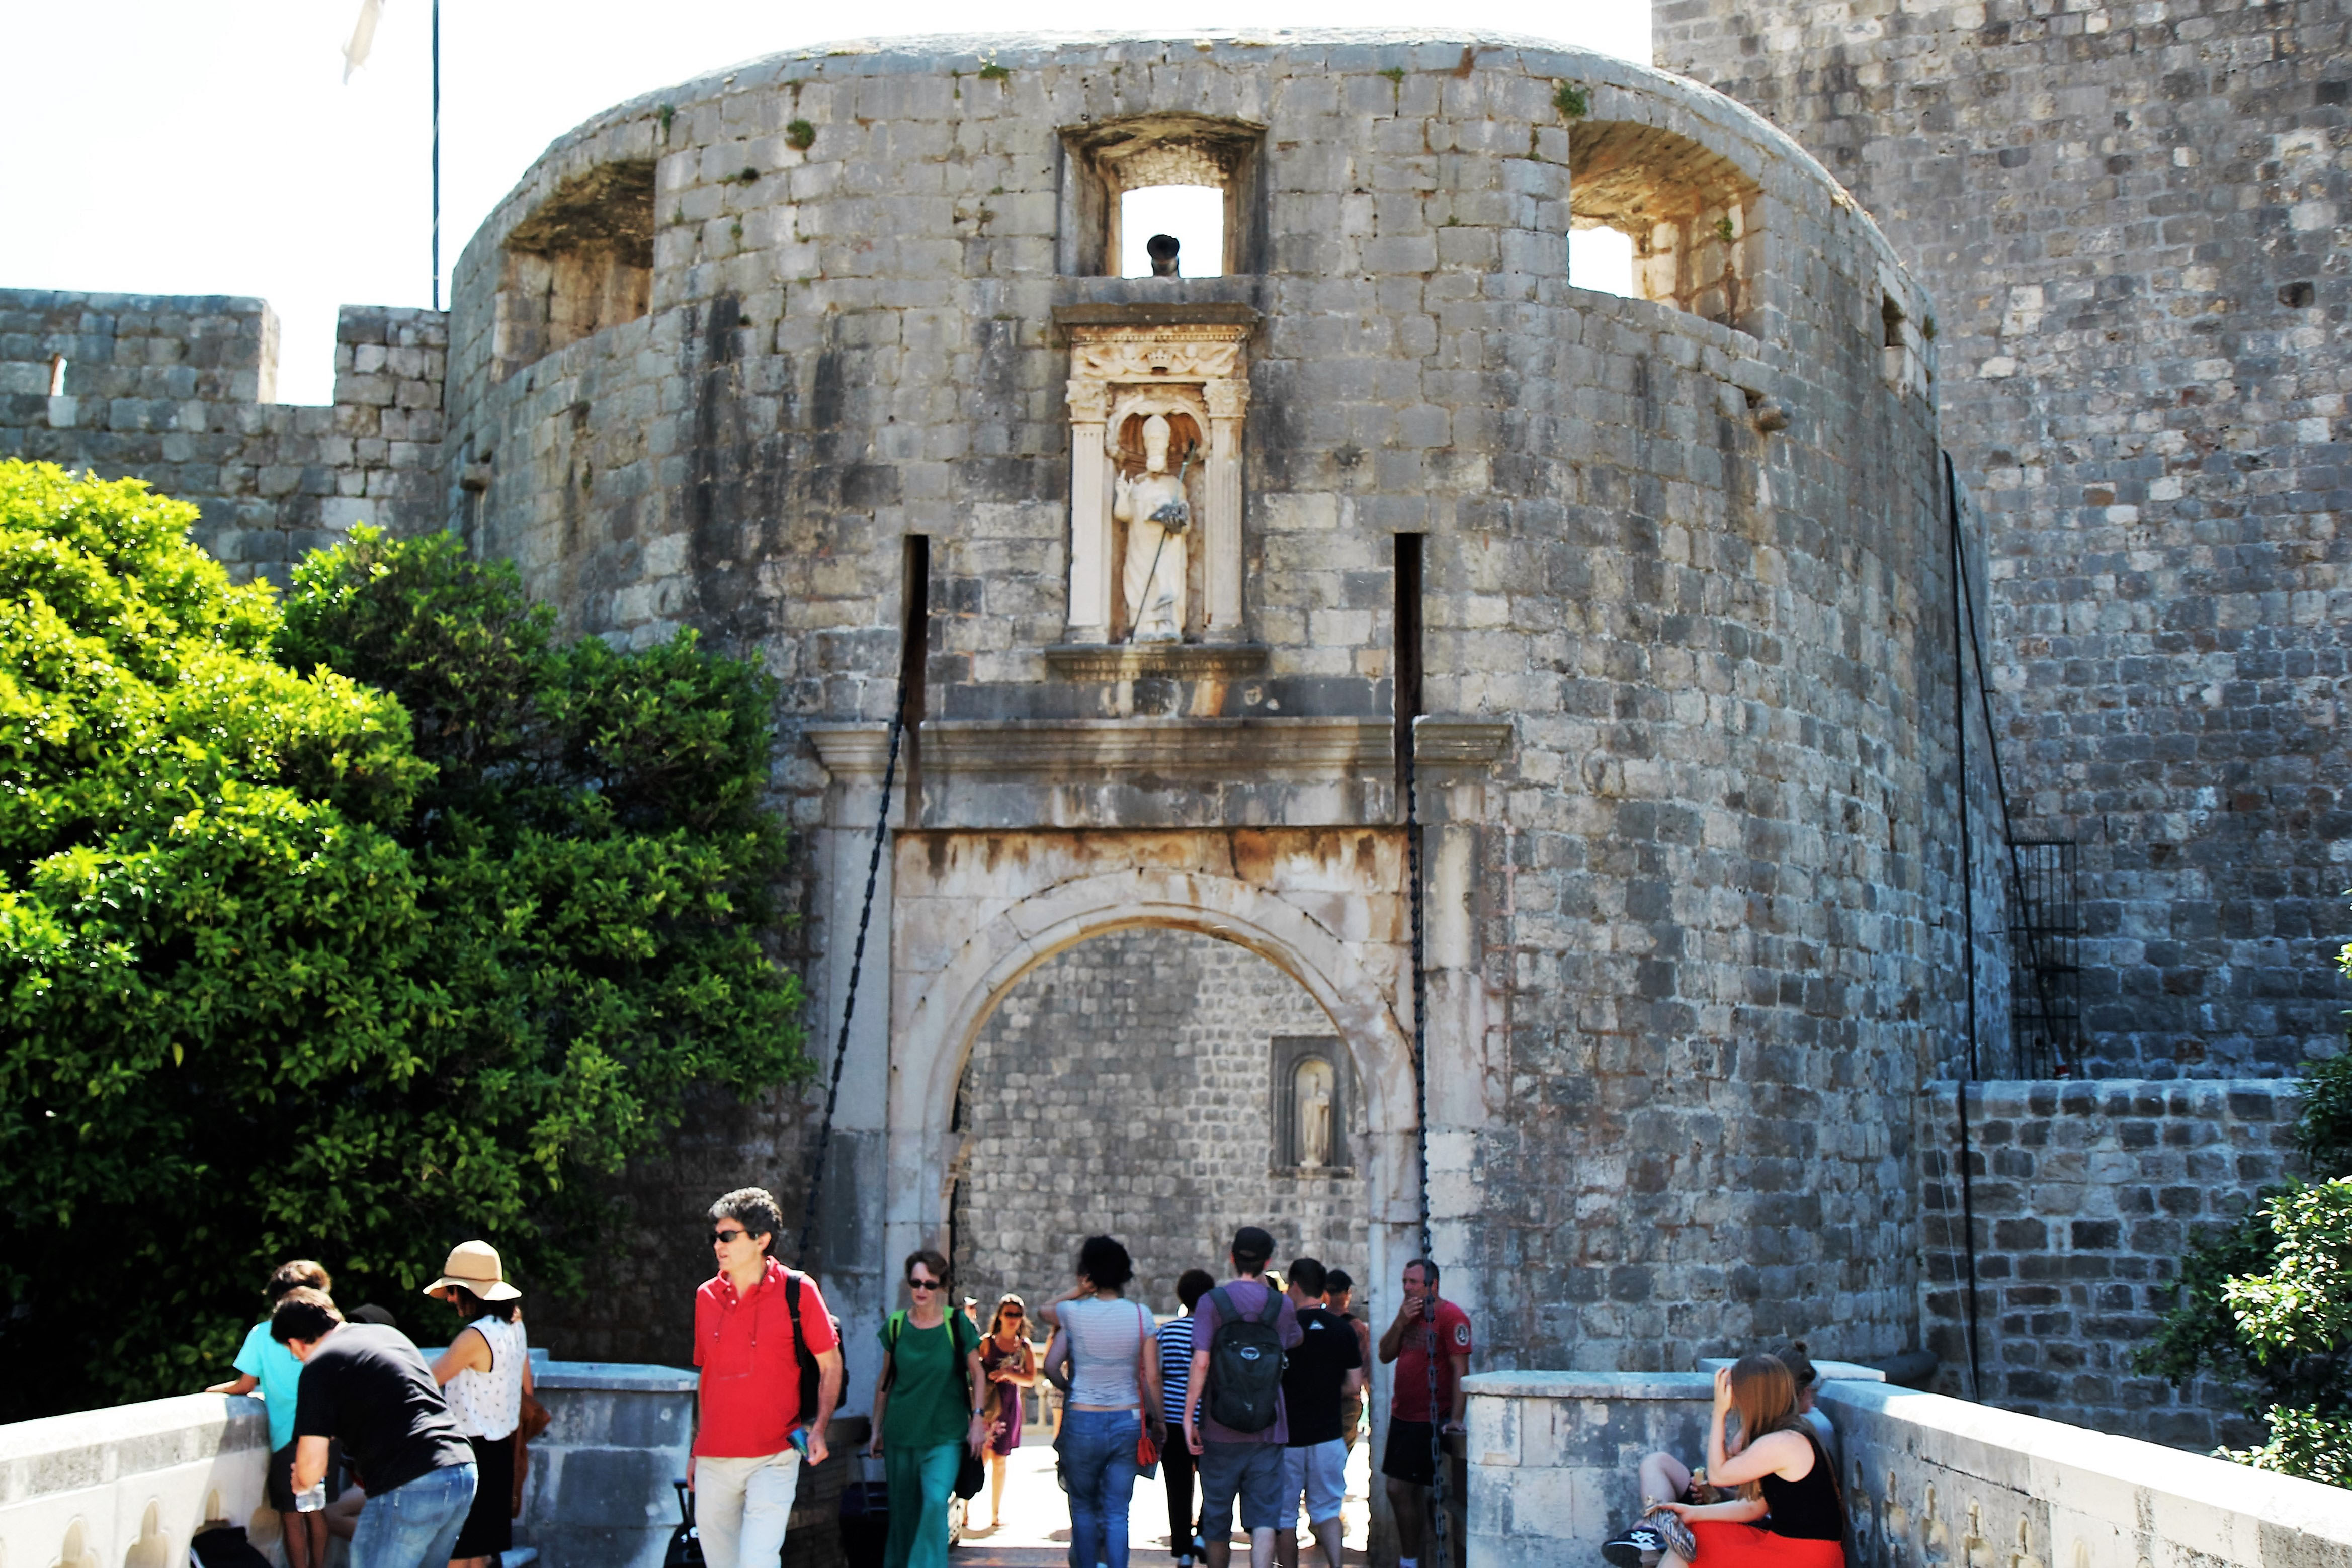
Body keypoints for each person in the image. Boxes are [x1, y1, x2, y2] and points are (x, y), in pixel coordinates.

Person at [273, 1288, 478, 1568]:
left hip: (411, 1478)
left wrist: (302, 1481)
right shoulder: (387, 1335)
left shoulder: (320, 1366)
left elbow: (310, 1467)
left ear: (296, 1343)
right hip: (461, 1468)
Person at [694, 1189, 845, 1568]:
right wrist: (695, 1450)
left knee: (758, 1561)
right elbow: (707, 1378)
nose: (718, 1245)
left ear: (761, 1240)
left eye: (728, 1236)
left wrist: (820, 1428)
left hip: (775, 1456)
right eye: (715, 1236)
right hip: (714, 1457)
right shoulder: (705, 1297)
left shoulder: (799, 1291)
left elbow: (831, 1365)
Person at [1183, 1227, 1304, 1568]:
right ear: (1268, 1261)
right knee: (1266, 1517)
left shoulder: (1212, 1303)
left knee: (1218, 1521)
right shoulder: (1282, 1306)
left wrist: (1188, 1417)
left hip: (1218, 1425)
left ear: (1232, 1257)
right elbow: (1294, 1340)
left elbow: (1202, 1361)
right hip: (1268, 1425)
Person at [1652, 1356, 1844, 1568]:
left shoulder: (1785, 1442)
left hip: (1804, 1557)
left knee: (1695, 1545)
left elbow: (1718, 1476)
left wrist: (1719, 1412)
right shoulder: (1783, 1433)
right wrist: (1693, 1513)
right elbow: (1754, 1507)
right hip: (1788, 1547)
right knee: (1696, 1535)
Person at [1041, 1236, 1164, 1568]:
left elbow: (1050, 1359)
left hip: (1083, 1418)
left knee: (1082, 1508)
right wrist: (1161, 1422)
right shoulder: (1141, 1316)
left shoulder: (1073, 1314)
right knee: (1117, 1512)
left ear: (1089, 1272)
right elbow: (1152, 1377)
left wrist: (1069, 1387)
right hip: (1127, 1419)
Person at [205, 1261, 335, 1568]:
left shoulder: (263, 1334)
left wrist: (211, 1391)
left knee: (292, 1517)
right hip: (326, 1435)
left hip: (285, 1439)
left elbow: (244, 1385)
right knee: (318, 1512)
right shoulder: (326, 1334)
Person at [868, 1249, 989, 1568]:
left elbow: (978, 1374)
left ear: (941, 1286)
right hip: (901, 1434)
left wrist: (978, 1419)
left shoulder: (956, 1324)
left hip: (945, 1436)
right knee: (904, 1515)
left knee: (935, 1503)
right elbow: (885, 1382)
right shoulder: (895, 1326)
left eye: (930, 1284)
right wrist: (876, 1430)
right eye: (916, 1283)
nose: (922, 1290)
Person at [422, 1242, 534, 1568]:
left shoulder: (475, 1336)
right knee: (480, 1556)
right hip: (501, 1452)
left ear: (472, 1291)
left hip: (468, 1452)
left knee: (456, 1557)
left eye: (454, 1291)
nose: (452, 1298)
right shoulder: (515, 1325)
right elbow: (528, 1386)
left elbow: (426, 1381)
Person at [1376, 1259, 1469, 1568]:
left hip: (1431, 1420)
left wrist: (1456, 1418)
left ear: (1433, 1285)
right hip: (1403, 1417)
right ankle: (1412, 1559)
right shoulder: (1408, 1315)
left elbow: (1461, 1370)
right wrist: (1401, 1323)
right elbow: (1385, 1354)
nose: (1407, 1288)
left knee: (1399, 1489)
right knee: (1405, 1491)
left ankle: (1410, 1561)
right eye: (1404, 1281)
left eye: (1413, 1282)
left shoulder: (1451, 1317)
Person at [1274, 1259, 1361, 1568]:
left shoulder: (1282, 1329)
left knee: (1285, 1515)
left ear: (1294, 1286)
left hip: (1289, 1438)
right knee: (1327, 1510)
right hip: (1328, 1435)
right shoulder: (1343, 1330)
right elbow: (1353, 1386)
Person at [1157, 1270, 1216, 1568]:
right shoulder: (1215, 1333)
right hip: (1207, 1418)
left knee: (1178, 1486)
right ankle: (1204, 1534)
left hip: (1172, 1417)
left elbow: (1157, 1375)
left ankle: (1182, 1550)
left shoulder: (1166, 1332)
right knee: (1214, 1481)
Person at [974, 1293, 1038, 1531]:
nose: (1013, 1319)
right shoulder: (987, 1343)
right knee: (980, 1458)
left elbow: (1031, 1378)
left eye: (1017, 1315)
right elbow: (974, 1370)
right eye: (1009, 1314)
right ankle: (967, 1509)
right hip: (988, 1406)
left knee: (1000, 1461)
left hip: (1009, 1407)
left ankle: (995, 1513)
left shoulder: (1024, 1347)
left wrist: (1008, 1375)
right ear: (1000, 1316)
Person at [1318, 1271, 1373, 1453]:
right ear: (1348, 1293)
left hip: (1318, 1399)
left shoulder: (1315, 1323)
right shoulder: (1355, 1327)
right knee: (1338, 1458)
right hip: (1347, 1402)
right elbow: (1365, 1369)